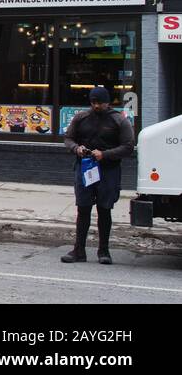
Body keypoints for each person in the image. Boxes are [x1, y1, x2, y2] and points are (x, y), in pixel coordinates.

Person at [61, 86, 135, 264]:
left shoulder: (118, 120)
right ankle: (79, 250)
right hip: (85, 168)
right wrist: (76, 148)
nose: (96, 106)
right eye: (93, 102)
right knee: (83, 208)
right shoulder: (81, 117)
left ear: (107, 102)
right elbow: (68, 138)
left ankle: (104, 251)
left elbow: (128, 146)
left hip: (108, 170)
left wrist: (105, 154)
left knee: (104, 209)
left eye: (100, 103)